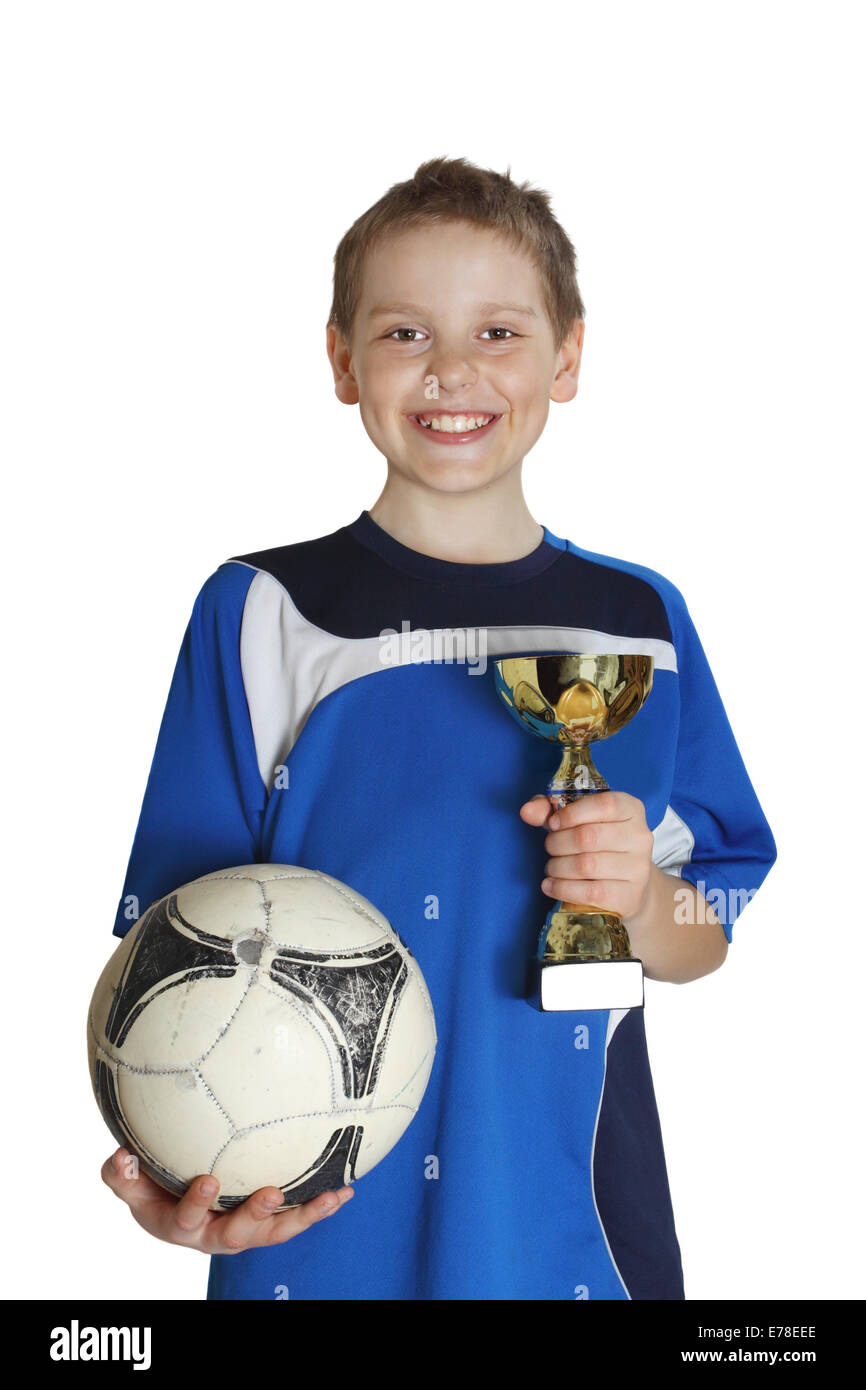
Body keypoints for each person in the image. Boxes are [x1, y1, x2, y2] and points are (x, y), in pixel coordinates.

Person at [100, 155, 776, 1300]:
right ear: (341, 359)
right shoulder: (262, 609)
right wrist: (182, 1170)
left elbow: (703, 925)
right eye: (405, 332)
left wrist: (635, 897)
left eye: (499, 333)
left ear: (567, 356)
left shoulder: (639, 624)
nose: (452, 369)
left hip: (565, 1223)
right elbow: (171, 953)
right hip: (310, 1223)